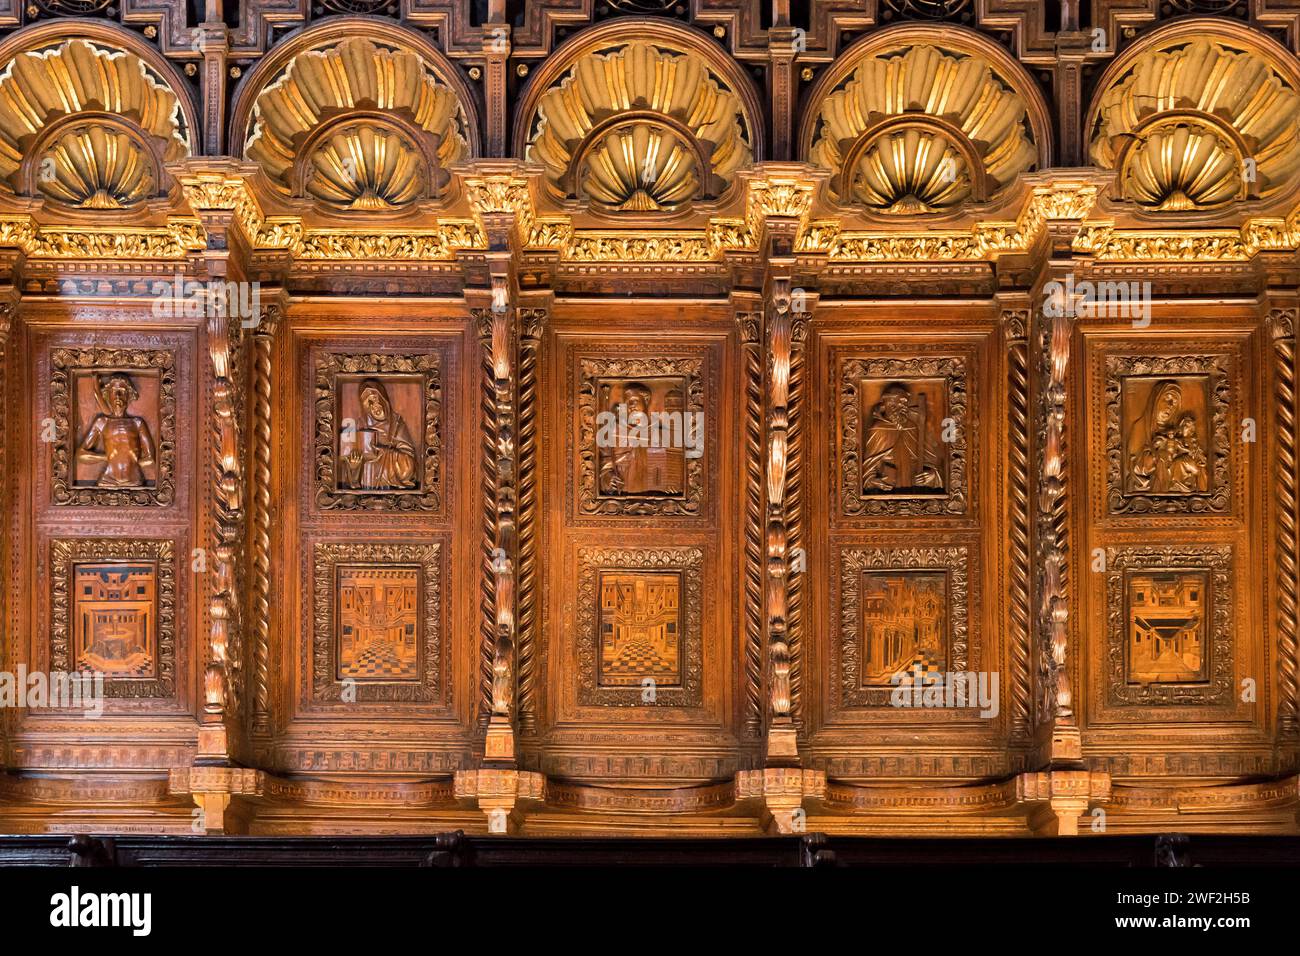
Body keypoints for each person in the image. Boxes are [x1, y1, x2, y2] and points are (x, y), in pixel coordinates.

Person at [76, 373, 155, 488]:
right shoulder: (102, 422)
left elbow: (151, 459)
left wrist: (131, 461)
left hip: (134, 481)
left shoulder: (137, 423)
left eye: (122, 391)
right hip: (107, 480)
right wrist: (107, 457)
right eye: (114, 391)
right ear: (108, 395)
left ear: (129, 396)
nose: (118, 396)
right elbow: (81, 455)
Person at [862, 383, 943, 492]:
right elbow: (868, 470)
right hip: (888, 492)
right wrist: (874, 482)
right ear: (889, 403)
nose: (904, 406)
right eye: (901, 402)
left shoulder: (913, 427)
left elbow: (931, 461)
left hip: (915, 490)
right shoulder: (878, 429)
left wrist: (931, 475)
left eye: (906, 403)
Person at [342, 378, 418, 490]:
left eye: (374, 399)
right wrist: (354, 468)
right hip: (366, 486)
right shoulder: (359, 425)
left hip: (390, 487)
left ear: (383, 398)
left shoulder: (396, 424)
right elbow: (348, 460)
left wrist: (383, 453)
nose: (373, 406)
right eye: (368, 403)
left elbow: (409, 466)